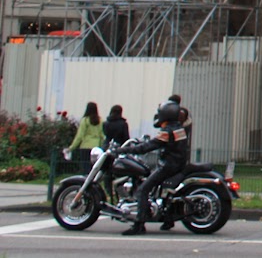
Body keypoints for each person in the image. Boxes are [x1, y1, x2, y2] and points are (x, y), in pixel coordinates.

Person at [118, 100, 191, 235]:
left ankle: (139, 224)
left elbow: (148, 147)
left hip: (168, 165)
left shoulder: (168, 131)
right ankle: (168, 219)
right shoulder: (179, 128)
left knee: (143, 190)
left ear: (166, 114)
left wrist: (123, 150)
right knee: (157, 189)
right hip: (176, 163)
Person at [63, 101, 104, 169]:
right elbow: (102, 135)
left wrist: (71, 148)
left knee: (85, 167)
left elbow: (79, 136)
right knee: (94, 168)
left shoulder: (85, 120)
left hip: (85, 146)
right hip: (96, 147)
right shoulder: (100, 121)